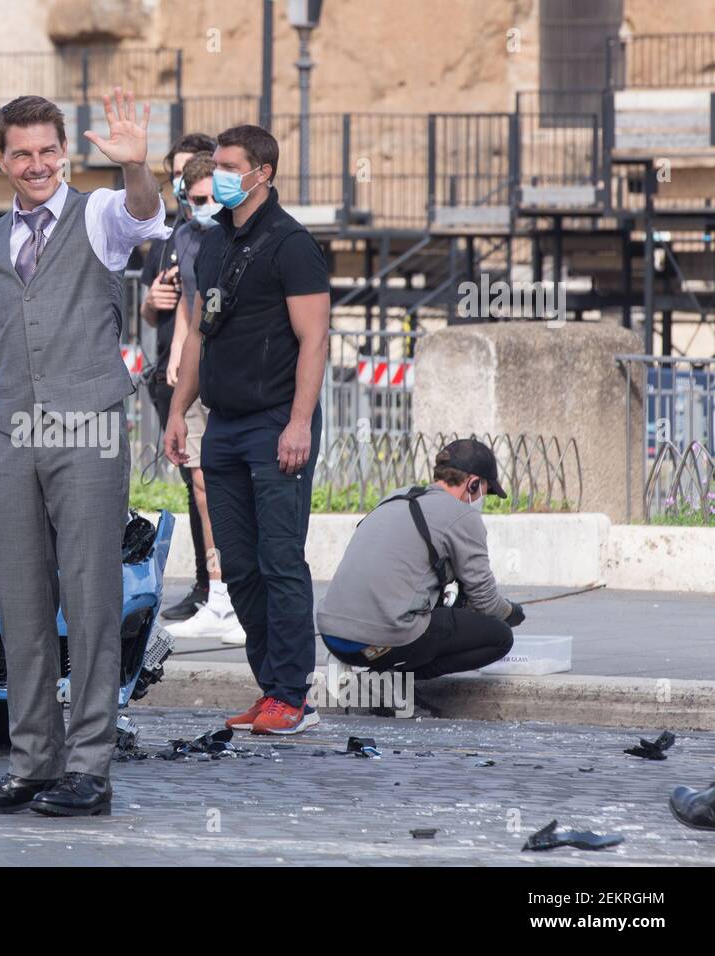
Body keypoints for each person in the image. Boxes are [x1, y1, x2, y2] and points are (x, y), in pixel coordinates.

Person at [0, 90, 167, 817]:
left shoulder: (97, 216)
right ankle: (33, 763)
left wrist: (136, 167)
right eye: (22, 154)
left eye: (48, 151)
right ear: (0, 159)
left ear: (64, 153)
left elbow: (143, 215)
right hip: (13, 437)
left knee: (91, 599)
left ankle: (89, 770)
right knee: (20, 601)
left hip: (88, 428)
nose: (36, 165)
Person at [165, 124, 330, 736]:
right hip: (225, 425)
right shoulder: (213, 243)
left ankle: (293, 695)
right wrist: (178, 412)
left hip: (276, 421)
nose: (222, 176)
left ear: (263, 173)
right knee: (238, 564)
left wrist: (298, 423)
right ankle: (270, 689)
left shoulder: (292, 244)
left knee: (279, 559)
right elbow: (199, 335)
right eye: (218, 166)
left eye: (232, 167)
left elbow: (315, 339)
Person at [316, 440, 524, 680]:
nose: (482, 499)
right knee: (499, 636)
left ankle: (374, 670)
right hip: (382, 641)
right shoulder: (462, 515)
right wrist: (512, 612)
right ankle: (393, 679)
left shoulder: (397, 496)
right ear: (473, 483)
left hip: (333, 636)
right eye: (485, 491)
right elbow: (485, 602)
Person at [159, 151, 246, 645]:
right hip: (197, 365)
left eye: (215, 197)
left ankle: (243, 597)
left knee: (239, 482)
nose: (207, 206)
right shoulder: (185, 237)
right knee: (200, 481)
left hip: (236, 374)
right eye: (197, 199)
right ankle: (218, 596)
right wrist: (177, 351)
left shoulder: (241, 235)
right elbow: (189, 306)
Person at [140, 133, 216, 627]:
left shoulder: (220, 233)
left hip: (214, 374)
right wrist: (152, 303)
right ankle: (209, 587)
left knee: (213, 485)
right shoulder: (174, 238)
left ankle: (222, 587)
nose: (185, 188)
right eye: (178, 178)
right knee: (197, 487)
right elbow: (156, 311)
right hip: (176, 375)